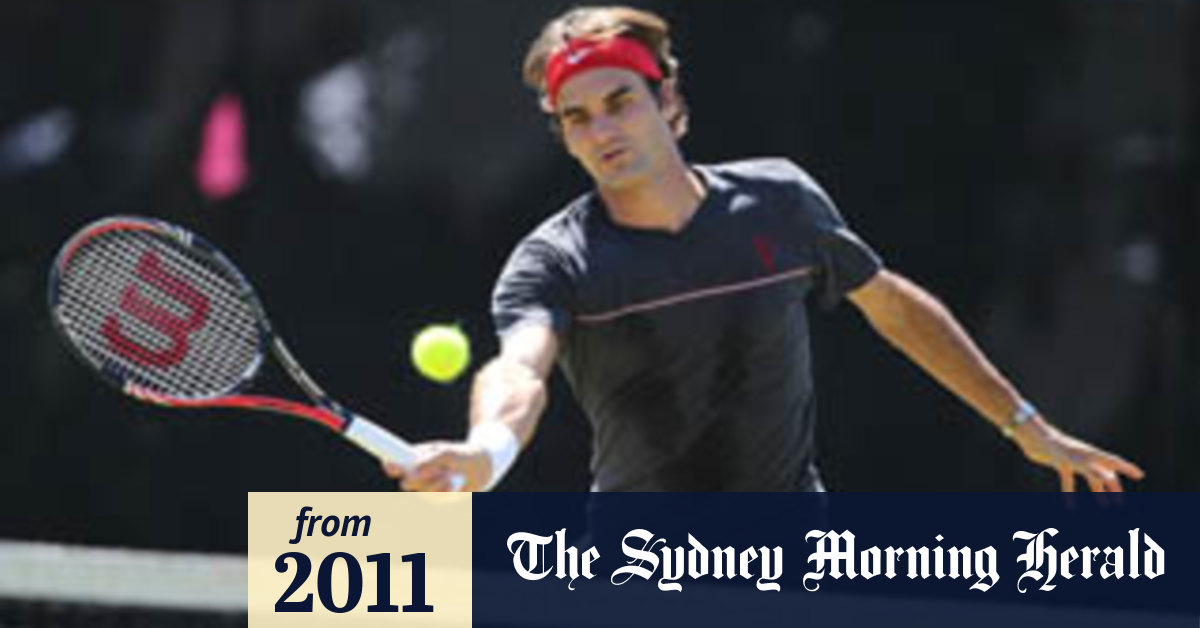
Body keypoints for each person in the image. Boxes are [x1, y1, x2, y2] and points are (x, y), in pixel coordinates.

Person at [388, 6, 1144, 493]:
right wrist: (487, 450)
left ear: (667, 99)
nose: (604, 130)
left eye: (620, 102)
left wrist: (1026, 425)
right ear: (564, 136)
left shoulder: (780, 202)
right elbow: (521, 370)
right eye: (578, 117)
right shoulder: (552, 259)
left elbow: (893, 308)